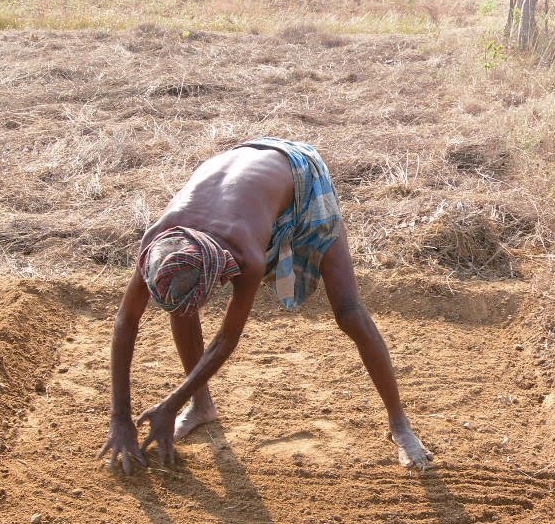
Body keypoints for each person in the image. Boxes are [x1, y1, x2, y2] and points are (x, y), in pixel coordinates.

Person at [99, 138, 433, 473]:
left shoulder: (245, 253)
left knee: (349, 313)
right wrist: (120, 418)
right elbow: (126, 321)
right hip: (243, 170)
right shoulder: (160, 243)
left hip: (300, 173)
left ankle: (399, 424)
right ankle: (202, 406)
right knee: (181, 301)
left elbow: (225, 341)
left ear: (221, 270)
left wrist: (170, 404)